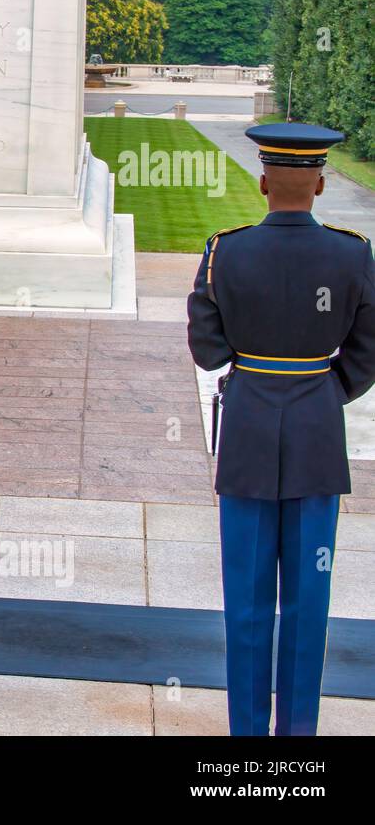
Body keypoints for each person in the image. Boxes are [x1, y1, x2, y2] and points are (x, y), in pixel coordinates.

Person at [188, 121, 375, 735]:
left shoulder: (225, 250)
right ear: (320, 184)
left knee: (246, 604)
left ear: (264, 182)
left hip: (246, 432)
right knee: (308, 604)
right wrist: (322, 392)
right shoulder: (353, 254)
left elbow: (209, 352)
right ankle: (297, 743)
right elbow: (367, 351)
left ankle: (248, 743)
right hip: (318, 436)